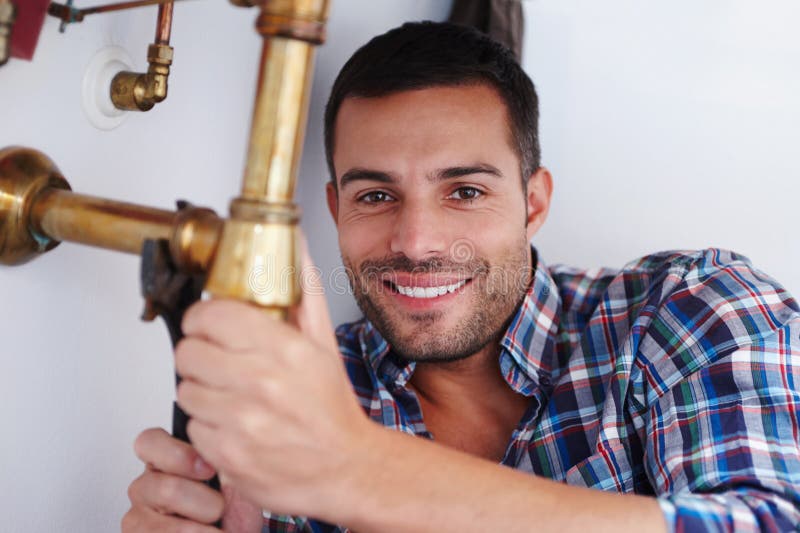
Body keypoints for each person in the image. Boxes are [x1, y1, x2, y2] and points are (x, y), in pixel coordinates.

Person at [122, 22, 800, 533]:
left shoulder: (691, 308)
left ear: (533, 203)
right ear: (335, 209)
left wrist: (358, 468)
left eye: (465, 191)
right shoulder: (299, 404)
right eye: (375, 196)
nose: (415, 242)